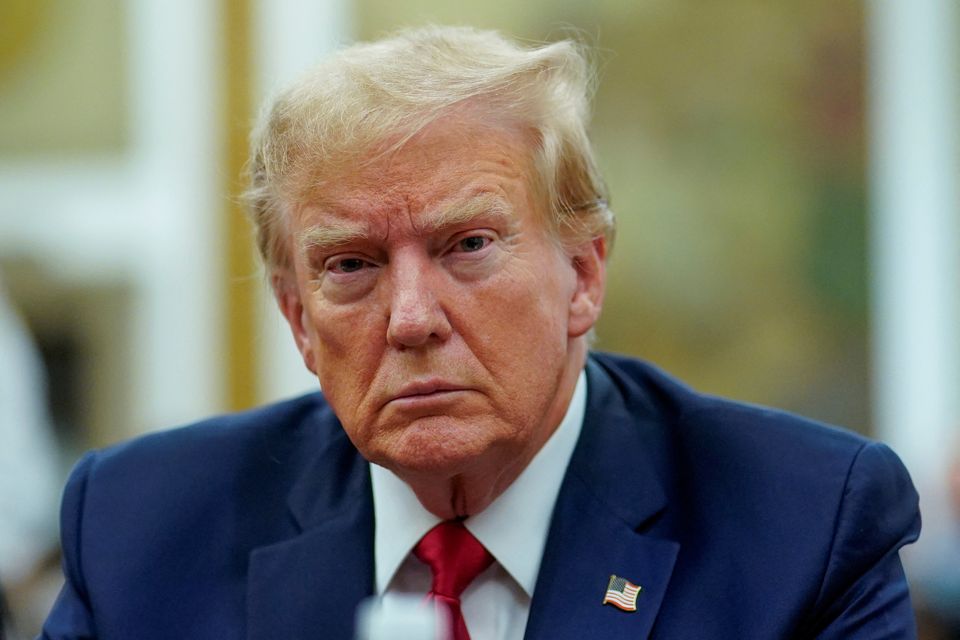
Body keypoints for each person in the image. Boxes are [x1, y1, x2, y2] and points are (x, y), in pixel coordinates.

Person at [40, 26, 920, 640]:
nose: (413, 318)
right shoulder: (138, 534)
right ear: (297, 318)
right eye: (351, 265)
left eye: (467, 246)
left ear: (584, 273)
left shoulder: (803, 527)